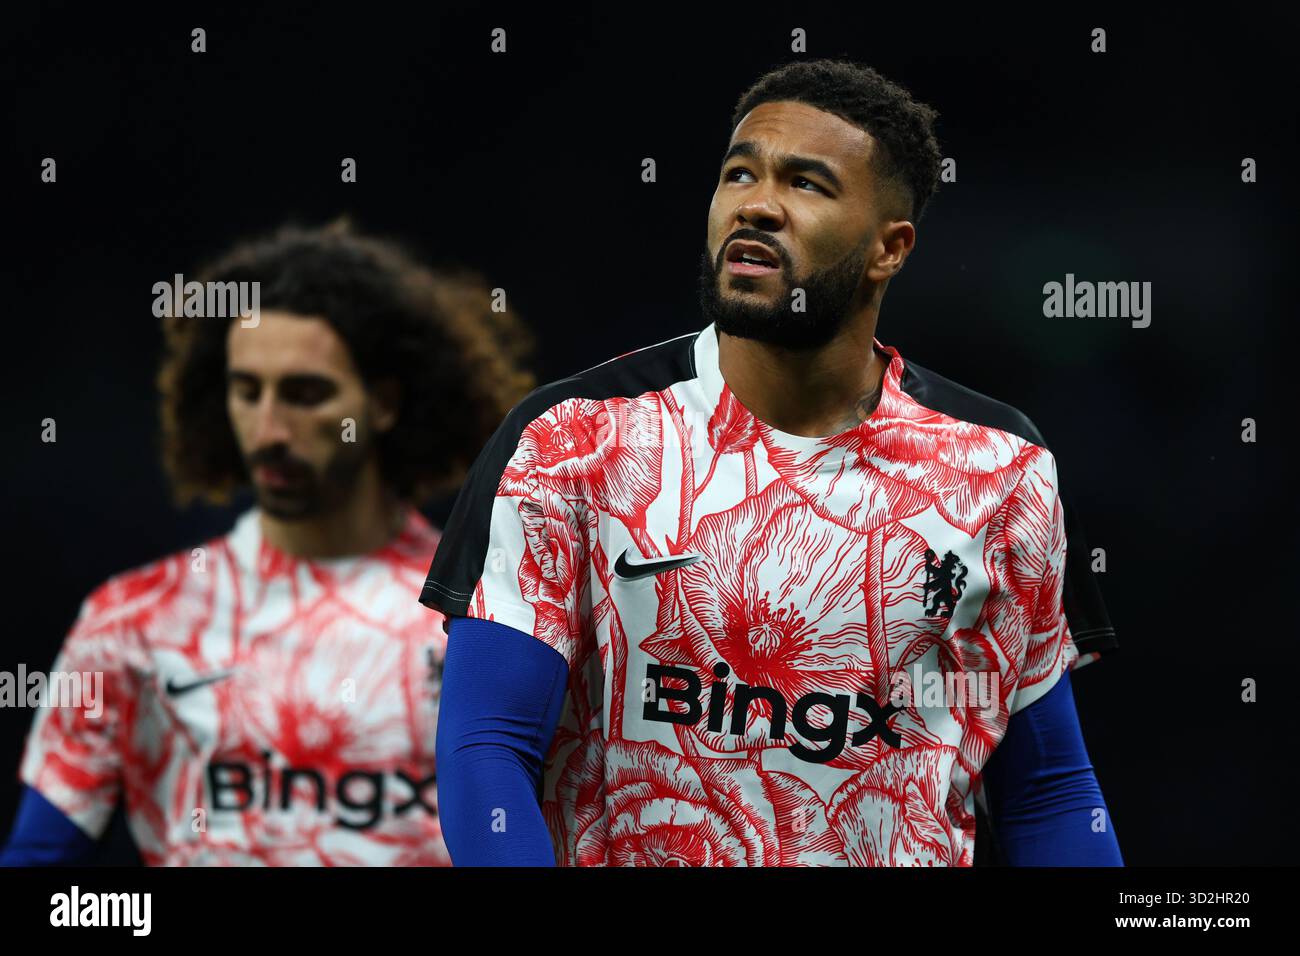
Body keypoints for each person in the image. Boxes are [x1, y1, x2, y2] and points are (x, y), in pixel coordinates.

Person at [426, 60, 1123, 867]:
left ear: (888, 249)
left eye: (806, 184)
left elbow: (1049, 791)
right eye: (738, 173)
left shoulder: (1002, 469)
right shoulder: (571, 439)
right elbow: (487, 748)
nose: (755, 204)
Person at [1, 220, 534, 865]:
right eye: (246, 391)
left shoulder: (488, 609)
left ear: (385, 403)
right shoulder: (135, 621)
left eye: (305, 394)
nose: (270, 429)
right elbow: (39, 862)